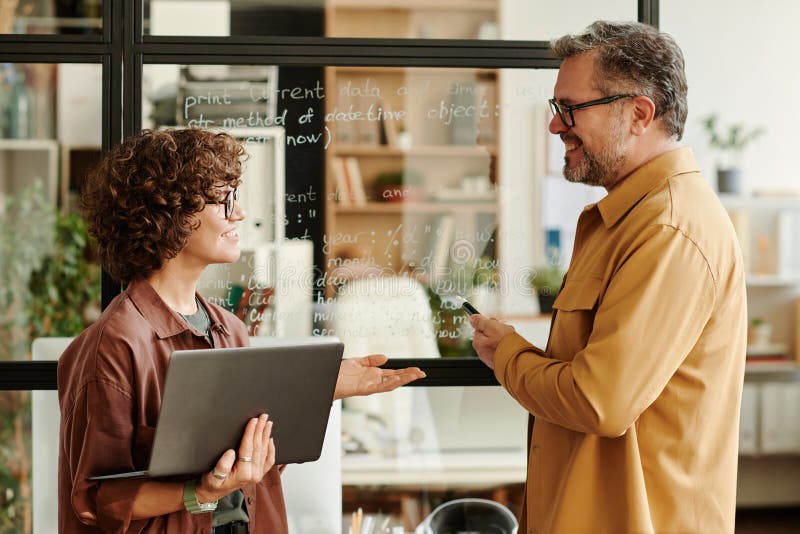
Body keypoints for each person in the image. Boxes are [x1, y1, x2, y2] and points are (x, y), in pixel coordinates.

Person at [57, 128, 426, 533]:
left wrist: (318, 389)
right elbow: (96, 500)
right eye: (223, 200)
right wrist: (201, 493)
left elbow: (251, 467)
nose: (239, 214)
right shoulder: (113, 346)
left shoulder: (228, 328)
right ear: (170, 214)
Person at [470, 21, 746, 533]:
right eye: (558, 109)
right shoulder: (626, 220)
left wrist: (508, 354)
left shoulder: (669, 230)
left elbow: (599, 402)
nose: (556, 126)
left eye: (570, 109)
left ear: (639, 114)